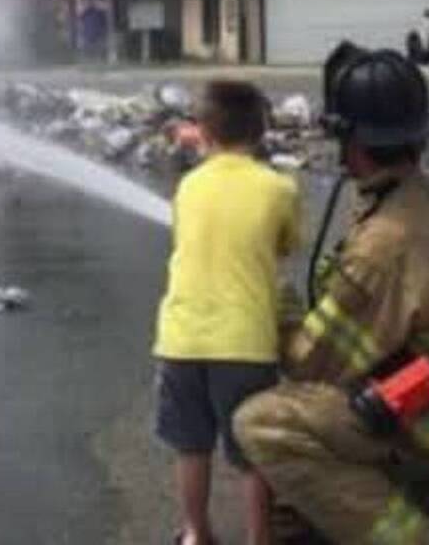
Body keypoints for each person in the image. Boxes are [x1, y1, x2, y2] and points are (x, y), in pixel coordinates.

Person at [234, 44, 429, 544]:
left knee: (263, 424)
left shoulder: (386, 244)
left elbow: (312, 364)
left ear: (353, 143)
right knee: (289, 506)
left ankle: (408, 535)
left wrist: (276, 300)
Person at [154, 80, 301, 545]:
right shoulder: (278, 188)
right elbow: (287, 245)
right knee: (252, 452)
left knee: (191, 446)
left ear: (204, 132)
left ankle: (197, 533)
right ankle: (260, 538)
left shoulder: (189, 186)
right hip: (245, 342)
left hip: (180, 338)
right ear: (261, 132)